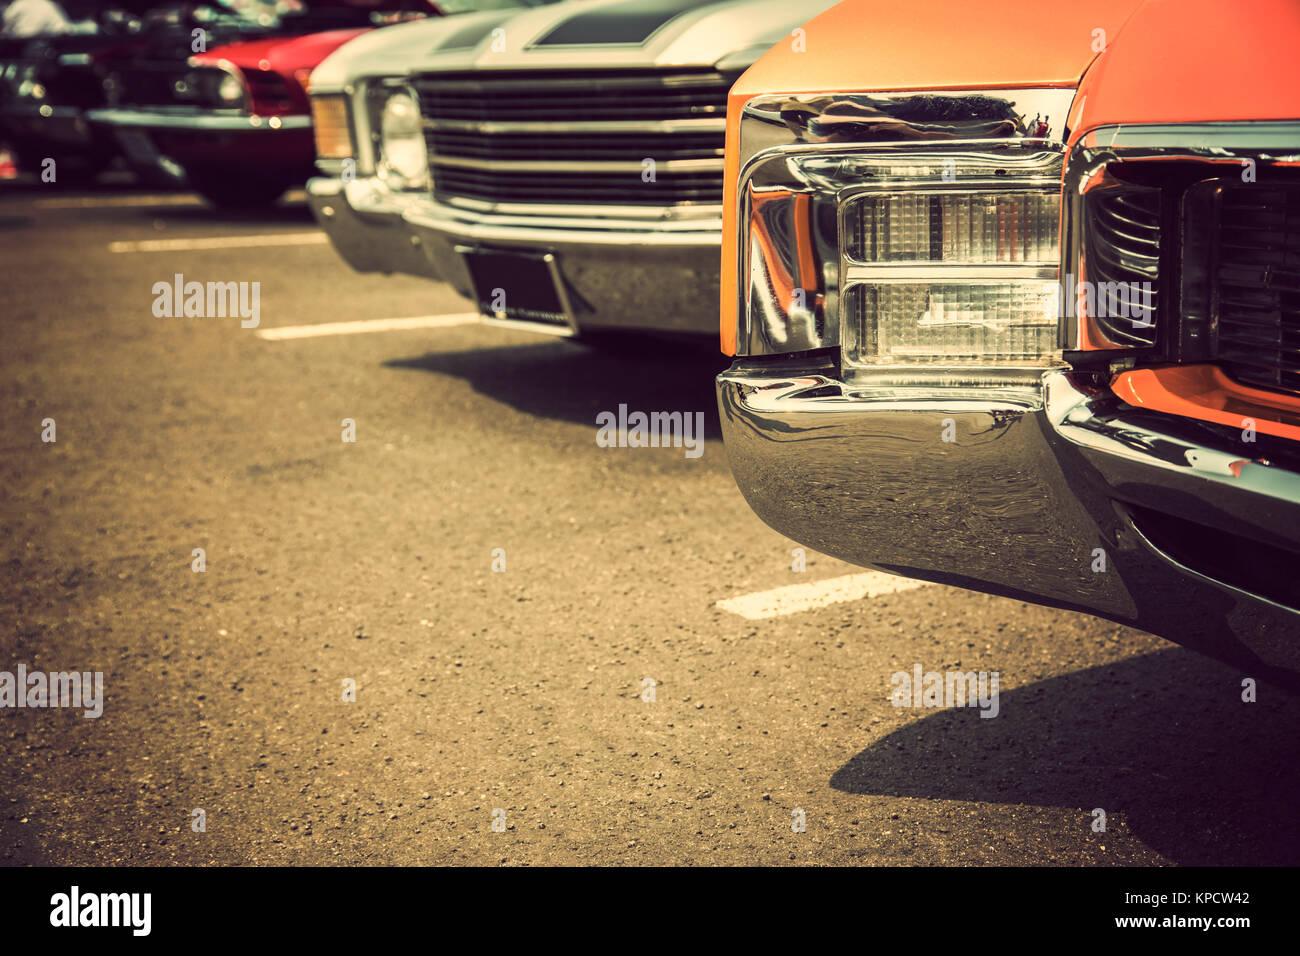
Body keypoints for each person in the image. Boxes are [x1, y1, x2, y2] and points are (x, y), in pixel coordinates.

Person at [1, 0, 72, 37]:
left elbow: (7, 26)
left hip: (26, 44)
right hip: (49, 45)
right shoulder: (48, 3)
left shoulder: (18, 5)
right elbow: (65, 28)